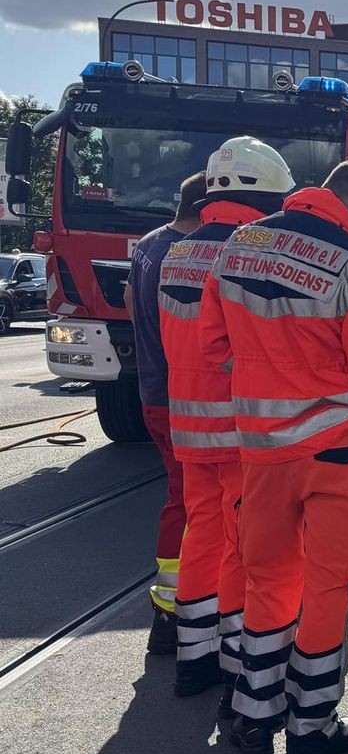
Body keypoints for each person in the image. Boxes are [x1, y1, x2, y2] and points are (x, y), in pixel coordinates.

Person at [200, 157, 348, 754]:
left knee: (267, 580)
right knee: (327, 583)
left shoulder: (241, 244)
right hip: (336, 454)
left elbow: (215, 344)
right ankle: (312, 727)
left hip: (261, 452)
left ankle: (254, 718)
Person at [159, 140, 295, 707]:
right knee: (245, 547)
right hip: (244, 427)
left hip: (188, 422)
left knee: (201, 534)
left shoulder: (177, 251)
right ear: (264, 196)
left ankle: (192, 659)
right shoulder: (256, 251)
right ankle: (240, 664)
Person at [125, 171, 205, 656]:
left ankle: (174, 606)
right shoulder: (187, 253)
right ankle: (174, 612)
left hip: (155, 391)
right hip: (183, 396)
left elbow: (131, 302)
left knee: (183, 497)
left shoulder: (150, 243)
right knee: (192, 503)